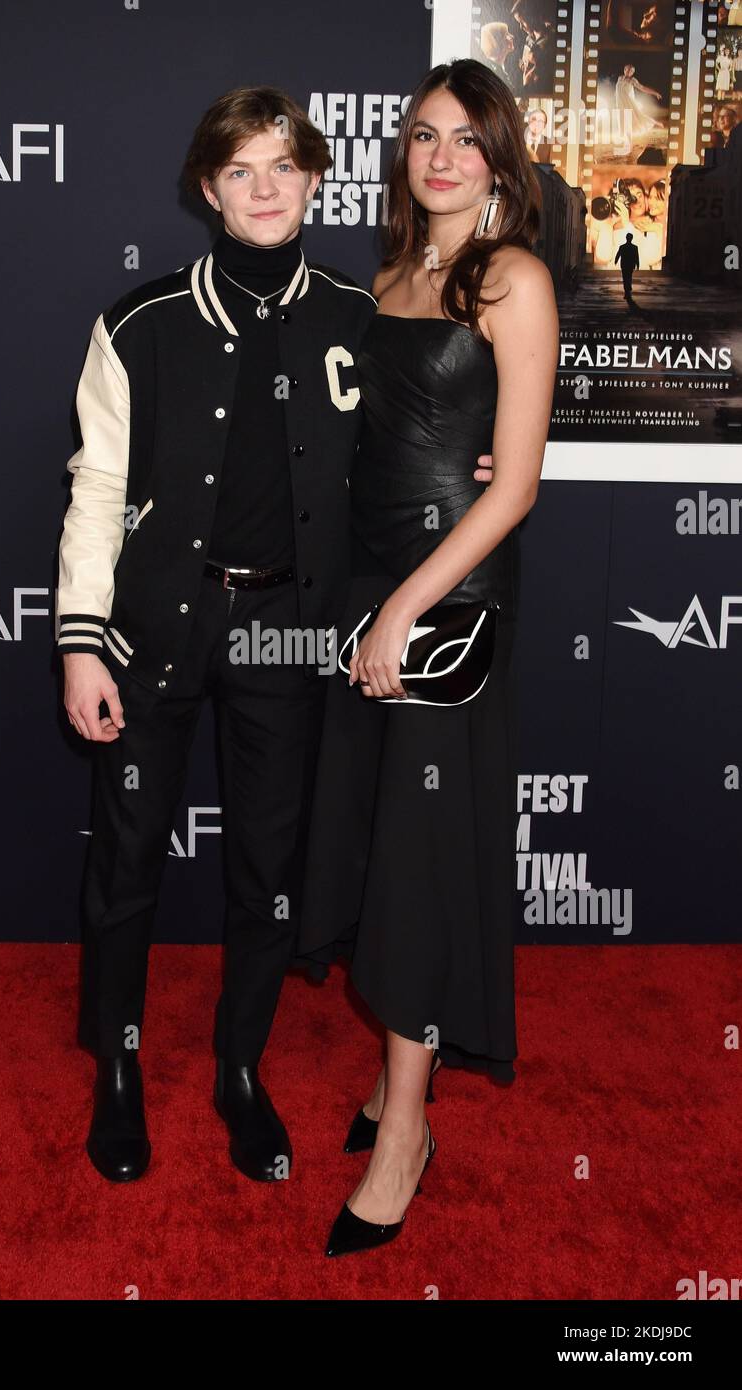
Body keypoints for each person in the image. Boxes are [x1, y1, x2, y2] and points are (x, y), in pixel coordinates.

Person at [54, 82, 501, 1187]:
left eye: (283, 167)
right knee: (125, 864)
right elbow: (97, 487)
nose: (264, 188)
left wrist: (468, 465)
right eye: (239, 170)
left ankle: (238, 1069)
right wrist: (77, 640)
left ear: (314, 178)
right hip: (157, 622)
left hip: (287, 632)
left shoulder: (358, 310)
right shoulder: (137, 322)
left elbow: (423, 427)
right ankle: (115, 1064)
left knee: (268, 868)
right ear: (208, 188)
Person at [296, 58, 558, 1257]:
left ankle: (405, 1127)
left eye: (463, 138)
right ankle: (392, 1081)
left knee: (412, 859)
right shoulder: (393, 274)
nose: (438, 156)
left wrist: (401, 610)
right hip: (369, 590)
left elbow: (511, 490)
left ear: (500, 159)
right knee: (366, 838)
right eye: (420, 136)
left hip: (442, 603)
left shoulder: (511, 279)